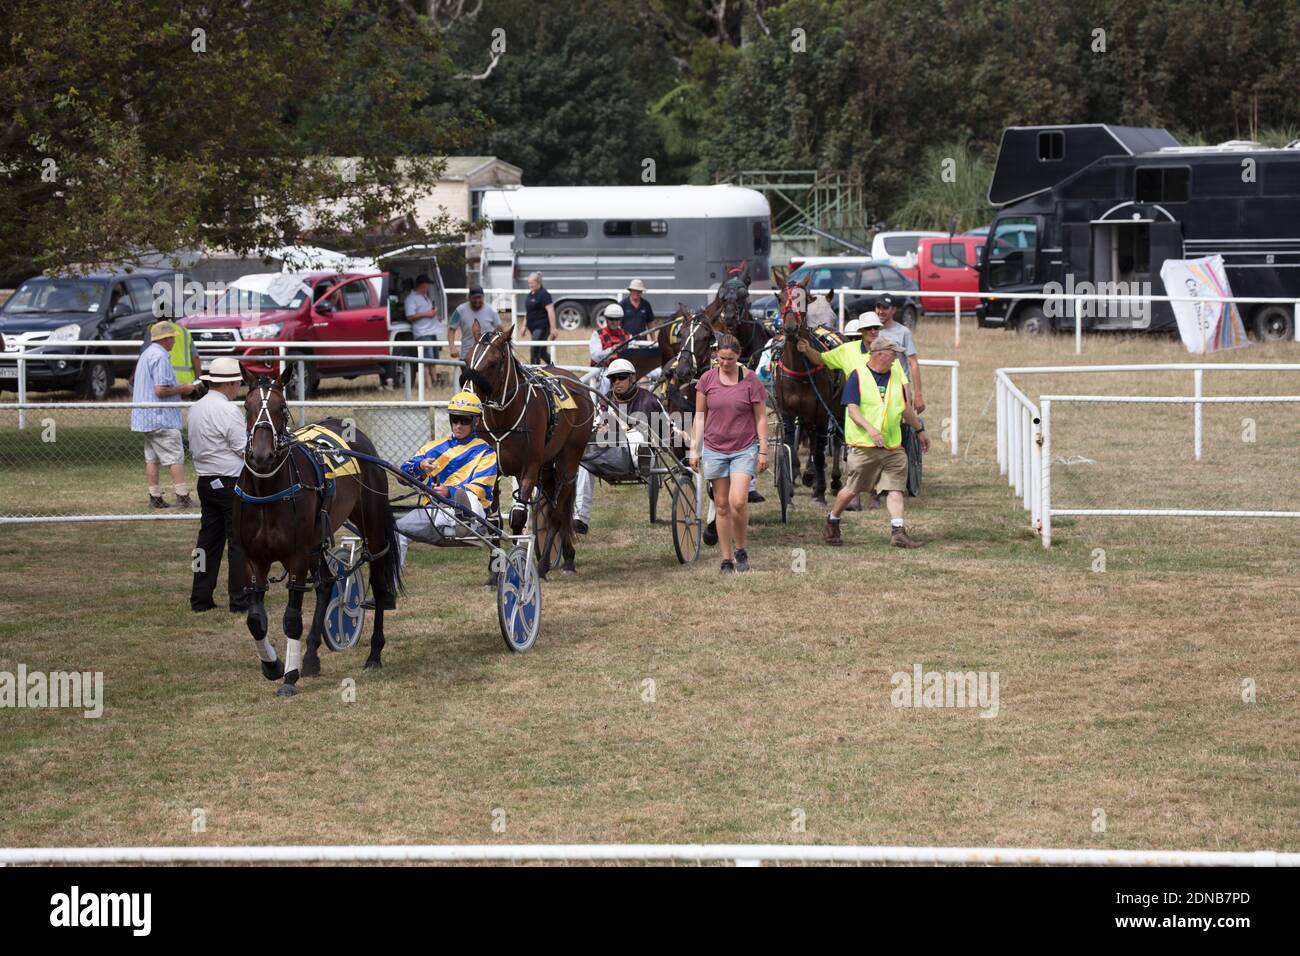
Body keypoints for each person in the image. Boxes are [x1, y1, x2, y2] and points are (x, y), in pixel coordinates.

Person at [824, 339, 929, 548]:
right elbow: (852, 409)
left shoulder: (897, 375)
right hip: (864, 446)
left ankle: (898, 531)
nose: (896, 358)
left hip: (892, 445)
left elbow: (905, 408)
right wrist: (871, 430)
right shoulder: (858, 376)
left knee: (895, 487)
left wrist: (920, 430)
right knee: (852, 489)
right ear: (880, 354)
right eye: (893, 354)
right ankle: (833, 519)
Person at [688, 334, 769, 573]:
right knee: (721, 505)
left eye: (730, 359)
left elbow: (761, 417)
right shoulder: (706, 380)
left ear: (738, 357)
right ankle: (726, 558)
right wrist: (695, 448)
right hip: (714, 449)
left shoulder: (751, 380)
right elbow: (699, 416)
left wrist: (763, 450)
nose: (724, 363)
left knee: (739, 501)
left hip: (743, 448)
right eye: (721, 358)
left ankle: (741, 547)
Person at [574, 358, 676, 535]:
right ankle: (581, 518)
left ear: (632, 378)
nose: (617, 382)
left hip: (642, 451)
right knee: (585, 462)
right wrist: (601, 427)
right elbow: (600, 423)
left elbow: (668, 426)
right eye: (613, 379)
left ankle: (641, 458)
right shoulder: (605, 401)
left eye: (621, 377)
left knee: (637, 436)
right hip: (613, 454)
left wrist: (679, 433)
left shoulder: (649, 399)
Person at [395, 391, 498, 567]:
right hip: (435, 512)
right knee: (396, 529)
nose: (458, 425)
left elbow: (482, 487)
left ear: (476, 421)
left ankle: (461, 517)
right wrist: (419, 467)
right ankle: (390, 589)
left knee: (470, 499)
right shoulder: (432, 448)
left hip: (473, 512)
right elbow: (402, 476)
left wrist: (449, 492)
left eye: (464, 421)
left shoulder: (486, 451)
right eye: (454, 419)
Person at [186, 357, 250, 613]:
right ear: (231, 383)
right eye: (238, 384)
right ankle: (239, 599)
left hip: (205, 480)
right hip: (229, 482)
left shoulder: (196, 407)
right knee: (238, 542)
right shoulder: (228, 410)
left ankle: (200, 598)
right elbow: (243, 449)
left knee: (207, 543)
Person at [131, 321, 197, 508]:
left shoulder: (147, 354)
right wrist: (184, 388)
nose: (174, 341)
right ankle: (182, 495)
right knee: (175, 456)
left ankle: (155, 496)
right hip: (161, 417)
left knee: (152, 458)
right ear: (166, 339)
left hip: (146, 417)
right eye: (172, 338)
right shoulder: (160, 357)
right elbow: (160, 390)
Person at [873, 293, 923, 412]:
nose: (880, 311)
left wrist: (918, 396)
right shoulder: (870, 331)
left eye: (885, 308)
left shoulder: (903, 332)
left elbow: (913, 364)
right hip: (874, 389)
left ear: (894, 310)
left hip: (899, 388)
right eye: (878, 307)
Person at [404, 274, 443, 390]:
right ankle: (429, 385)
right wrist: (428, 314)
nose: (429, 287)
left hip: (431, 331)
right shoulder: (411, 298)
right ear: (423, 285)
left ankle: (435, 381)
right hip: (422, 333)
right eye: (428, 285)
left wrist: (435, 316)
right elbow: (410, 316)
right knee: (426, 360)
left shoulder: (425, 297)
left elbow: (427, 312)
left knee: (433, 359)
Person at [448, 286, 502, 358]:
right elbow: (451, 330)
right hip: (467, 355)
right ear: (469, 297)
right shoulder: (460, 310)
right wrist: (452, 348)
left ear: (483, 297)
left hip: (486, 357)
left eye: (479, 297)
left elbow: (500, 328)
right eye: (474, 298)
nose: (477, 301)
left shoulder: (491, 310)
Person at [588, 303, 632, 386]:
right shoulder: (597, 334)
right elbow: (595, 356)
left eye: (617, 319)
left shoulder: (628, 335)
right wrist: (611, 350)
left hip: (623, 370)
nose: (614, 322)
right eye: (612, 319)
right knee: (606, 380)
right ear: (606, 319)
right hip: (603, 370)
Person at [524, 271, 557, 365]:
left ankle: (534, 373)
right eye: (529, 283)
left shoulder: (544, 294)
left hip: (541, 327)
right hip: (532, 327)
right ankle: (554, 367)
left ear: (538, 283)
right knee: (542, 352)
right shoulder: (531, 294)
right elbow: (529, 311)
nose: (530, 285)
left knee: (534, 349)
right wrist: (524, 326)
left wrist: (553, 328)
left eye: (532, 283)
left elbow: (550, 311)